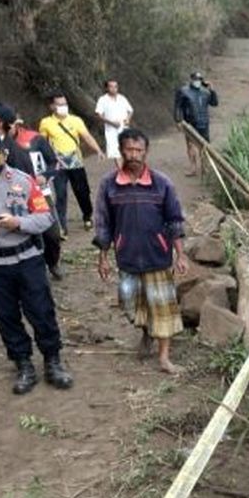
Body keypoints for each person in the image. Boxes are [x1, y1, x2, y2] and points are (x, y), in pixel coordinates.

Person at [0, 129, 73, 393]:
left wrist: (18, 222)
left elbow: (45, 218)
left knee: (41, 311)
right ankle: (23, 365)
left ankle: (52, 361)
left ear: (3, 154)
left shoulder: (25, 180)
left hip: (26, 257)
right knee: (5, 316)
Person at [93, 129, 188, 374]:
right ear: (121, 150)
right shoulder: (109, 185)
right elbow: (103, 223)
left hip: (157, 254)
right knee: (129, 303)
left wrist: (180, 255)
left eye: (139, 150)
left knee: (162, 307)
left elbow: (175, 221)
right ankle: (146, 330)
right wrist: (103, 257)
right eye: (129, 150)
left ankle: (164, 358)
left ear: (146, 153)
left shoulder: (162, 183)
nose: (134, 155)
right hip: (127, 256)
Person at [0, 103, 65, 280]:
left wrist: (45, 175)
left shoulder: (35, 139)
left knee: (52, 234)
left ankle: (53, 262)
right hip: (11, 198)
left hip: (40, 192)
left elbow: (54, 162)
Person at [39, 92, 105, 238]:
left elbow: (86, 136)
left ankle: (87, 216)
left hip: (76, 162)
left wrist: (98, 150)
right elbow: (42, 143)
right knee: (60, 195)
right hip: (57, 165)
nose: (63, 107)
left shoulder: (76, 120)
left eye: (65, 104)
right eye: (59, 104)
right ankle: (61, 227)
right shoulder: (46, 123)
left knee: (82, 192)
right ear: (52, 106)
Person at [173, 70, 218, 177]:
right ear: (191, 79)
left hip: (204, 122)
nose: (197, 81)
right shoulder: (183, 91)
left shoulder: (205, 92)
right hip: (190, 123)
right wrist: (178, 120)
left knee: (205, 146)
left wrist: (212, 90)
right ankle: (193, 168)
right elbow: (177, 107)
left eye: (199, 79)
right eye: (195, 79)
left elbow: (214, 103)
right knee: (191, 145)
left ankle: (204, 167)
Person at [94, 78, 133, 164]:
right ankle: (121, 172)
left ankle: (128, 169)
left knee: (126, 149)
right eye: (111, 86)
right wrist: (111, 123)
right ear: (106, 88)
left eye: (115, 86)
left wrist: (128, 119)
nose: (113, 89)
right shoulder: (102, 100)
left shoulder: (122, 98)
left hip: (124, 128)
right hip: (111, 130)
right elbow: (98, 115)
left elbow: (130, 110)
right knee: (115, 152)